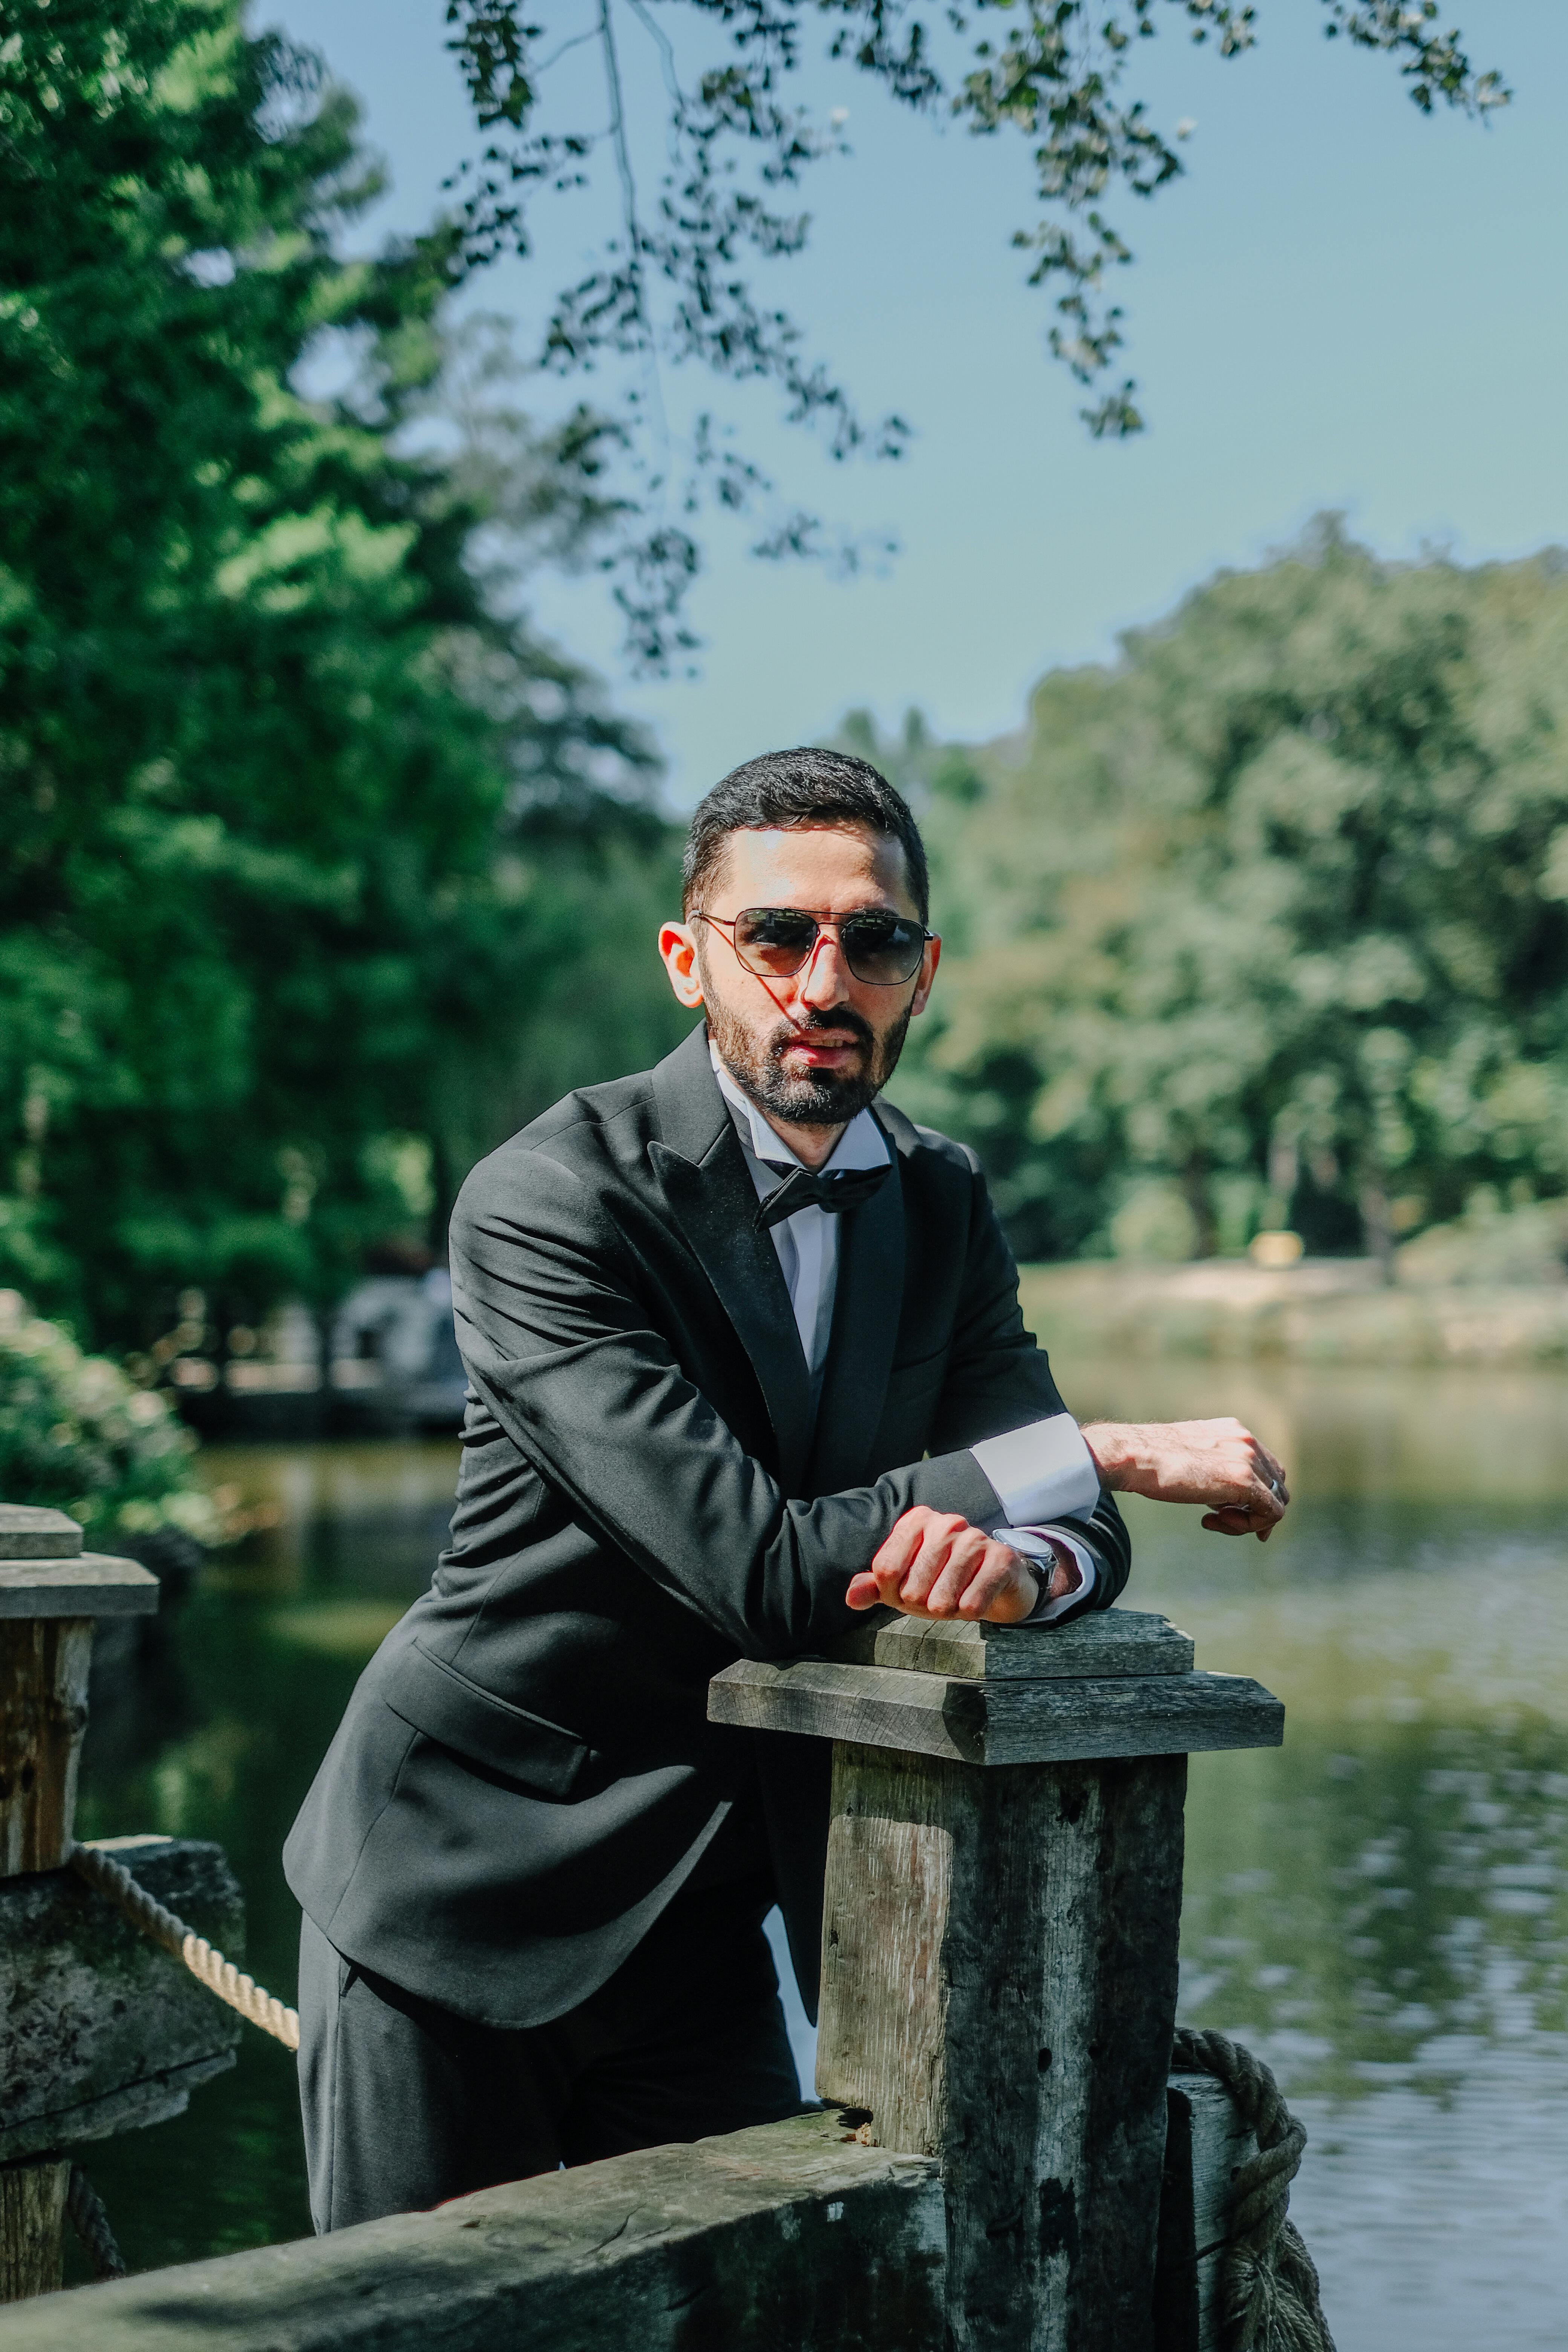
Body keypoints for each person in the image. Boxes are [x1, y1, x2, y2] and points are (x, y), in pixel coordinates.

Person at [284, 747, 1289, 2230]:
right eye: (777, 936)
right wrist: (1102, 1451)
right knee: (418, 2322)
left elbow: (1071, 1531)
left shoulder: (938, 1195)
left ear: (920, 975)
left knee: (759, 2307)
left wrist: (1019, 1574)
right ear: (688, 960)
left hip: (710, 1915)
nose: (825, 984)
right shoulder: (549, 1200)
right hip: (459, 1890)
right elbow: (757, 1569)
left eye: (871, 941)